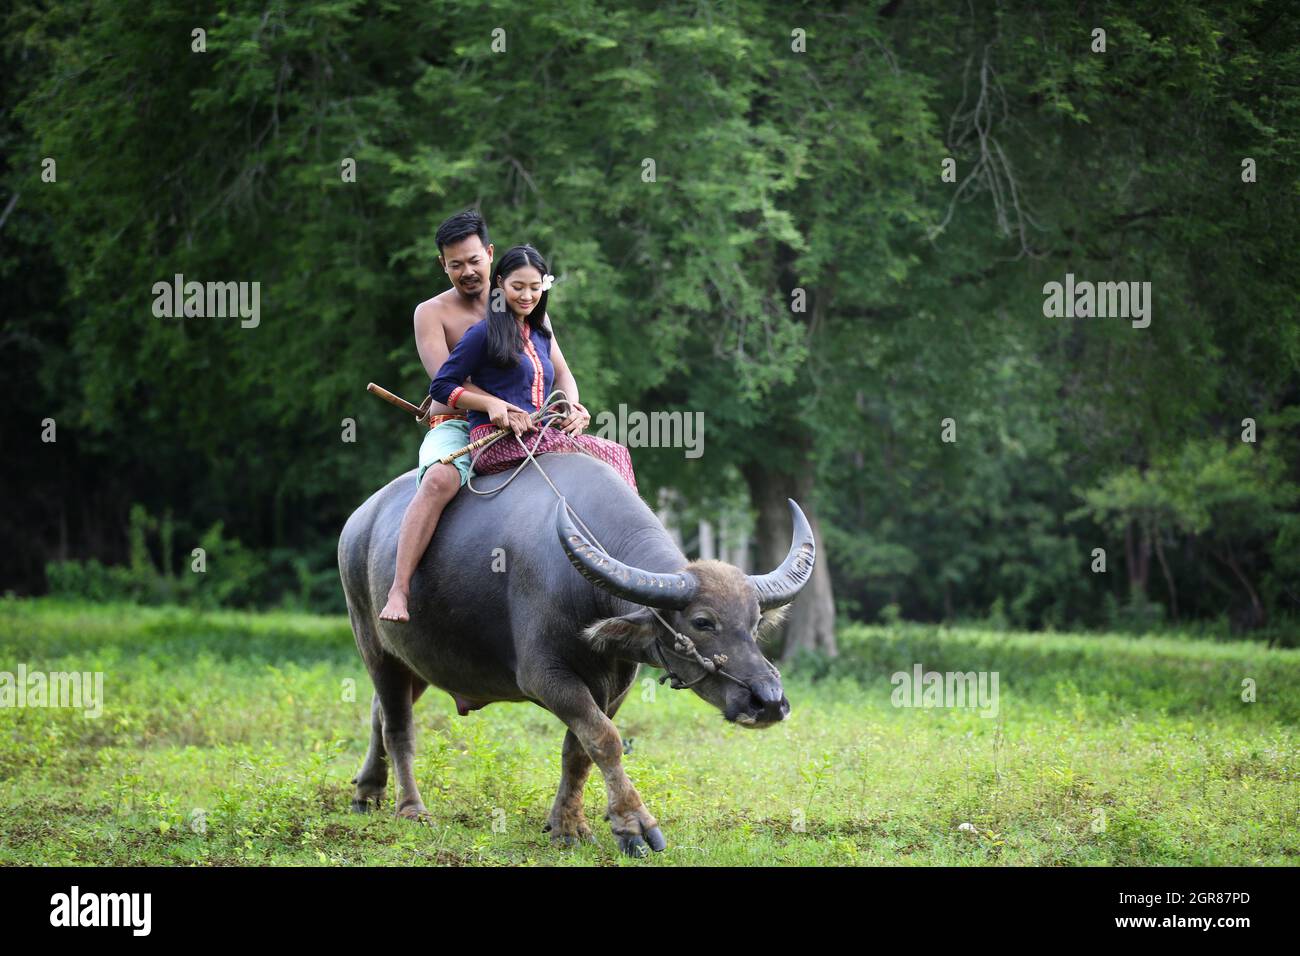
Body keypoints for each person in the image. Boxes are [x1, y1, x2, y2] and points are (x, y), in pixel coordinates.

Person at [429, 244, 638, 494]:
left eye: (534, 288)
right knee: (611, 454)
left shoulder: (540, 333)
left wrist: (571, 411)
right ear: (500, 284)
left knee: (618, 452)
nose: (526, 296)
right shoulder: (482, 333)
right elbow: (441, 386)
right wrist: (490, 405)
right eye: (517, 287)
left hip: (539, 435)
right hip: (496, 441)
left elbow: (564, 377)